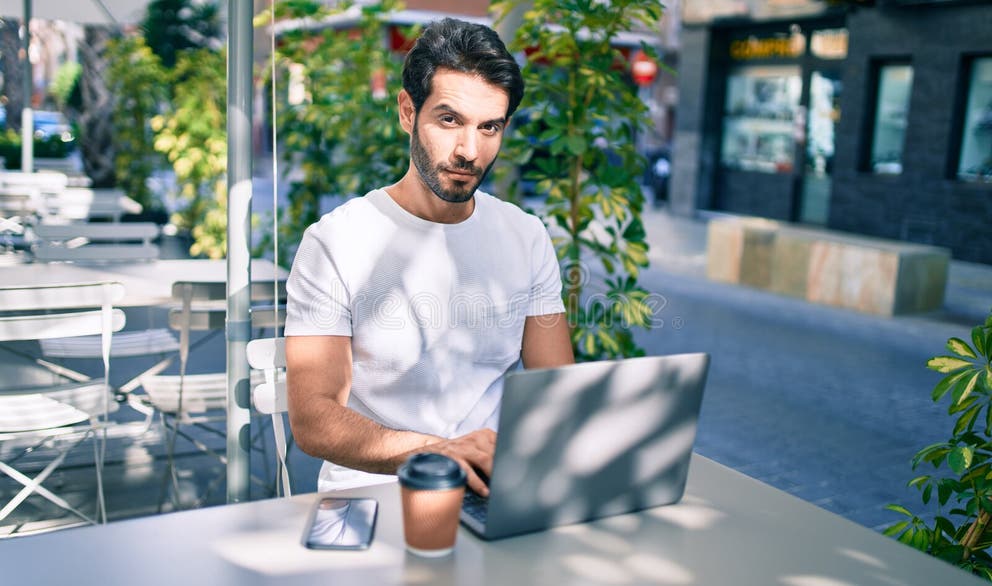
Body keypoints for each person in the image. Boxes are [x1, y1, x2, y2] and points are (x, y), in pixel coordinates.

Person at [284, 18, 574, 497]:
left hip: (491, 488)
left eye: (489, 128)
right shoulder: (336, 242)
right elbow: (314, 419)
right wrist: (438, 452)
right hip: (374, 491)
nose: (469, 150)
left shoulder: (525, 235)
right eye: (449, 120)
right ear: (407, 111)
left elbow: (557, 390)